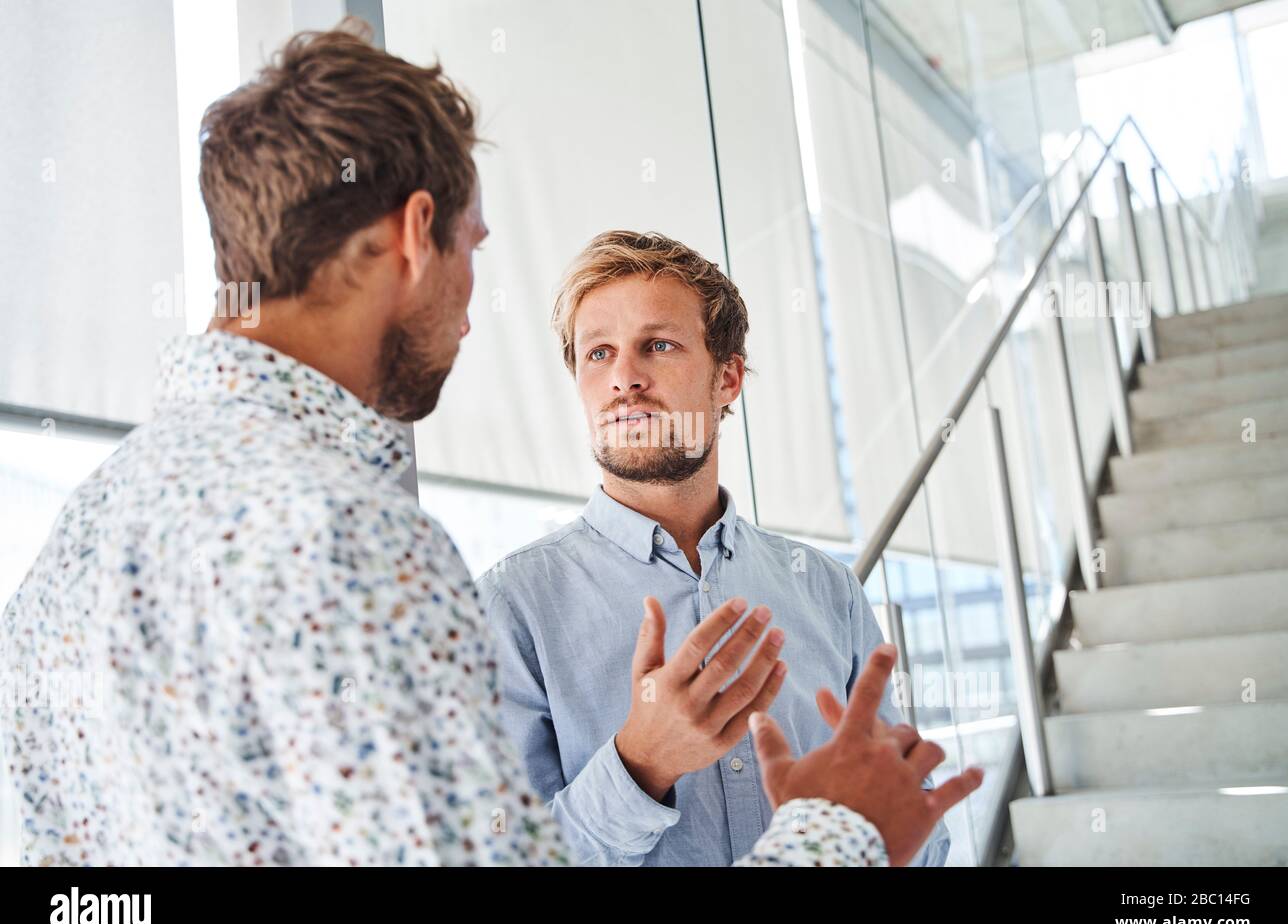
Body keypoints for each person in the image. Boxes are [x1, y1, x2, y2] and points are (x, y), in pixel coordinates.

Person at [0, 19, 980, 867]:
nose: (471, 309)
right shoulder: (346, 542)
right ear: (417, 233)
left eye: (656, 347)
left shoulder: (73, 546)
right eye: (474, 245)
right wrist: (834, 833)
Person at [477, 231, 951, 866]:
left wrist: (858, 829)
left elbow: (919, 832)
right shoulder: (507, 607)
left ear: (727, 377)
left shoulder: (826, 590)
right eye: (598, 354)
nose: (624, 379)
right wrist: (641, 765)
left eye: (659, 345)